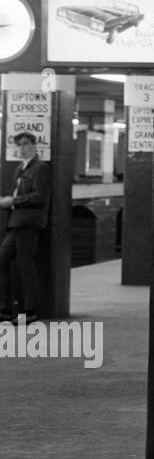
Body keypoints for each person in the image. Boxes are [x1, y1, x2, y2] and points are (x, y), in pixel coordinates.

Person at [0, 132, 50, 322]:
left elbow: (40, 196)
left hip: (28, 224)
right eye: (19, 145)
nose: (22, 148)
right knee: (3, 261)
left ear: (34, 146)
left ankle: (29, 312)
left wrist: (13, 200)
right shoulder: (20, 168)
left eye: (25, 144)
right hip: (16, 223)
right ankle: (4, 308)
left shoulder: (40, 168)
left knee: (25, 266)